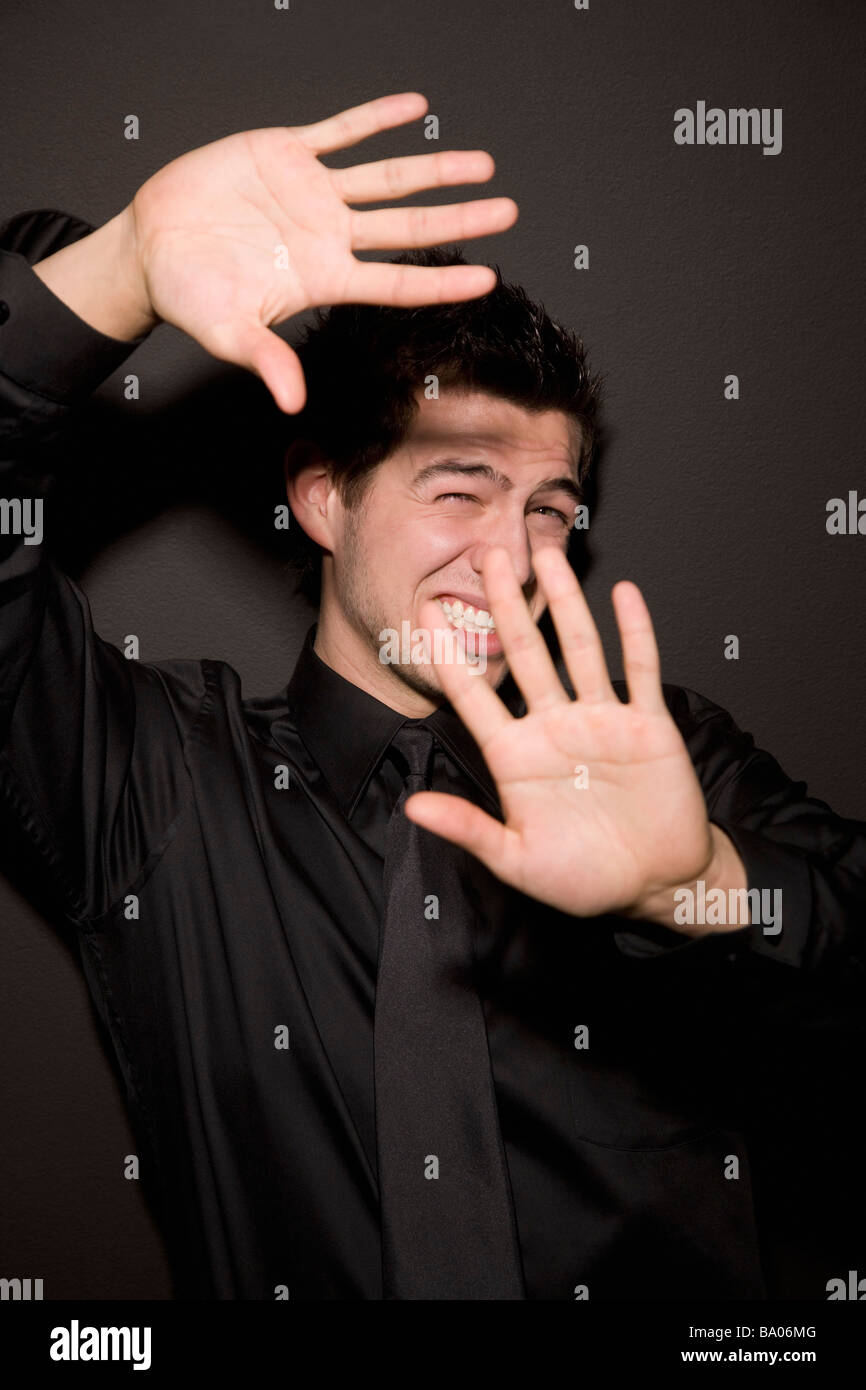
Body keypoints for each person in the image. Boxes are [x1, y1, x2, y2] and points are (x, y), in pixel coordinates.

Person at [1, 91, 863, 1301]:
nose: (512, 557)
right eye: (458, 490)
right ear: (320, 500)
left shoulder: (661, 752)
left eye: (549, 511)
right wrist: (122, 269)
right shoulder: (153, 783)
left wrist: (703, 888)